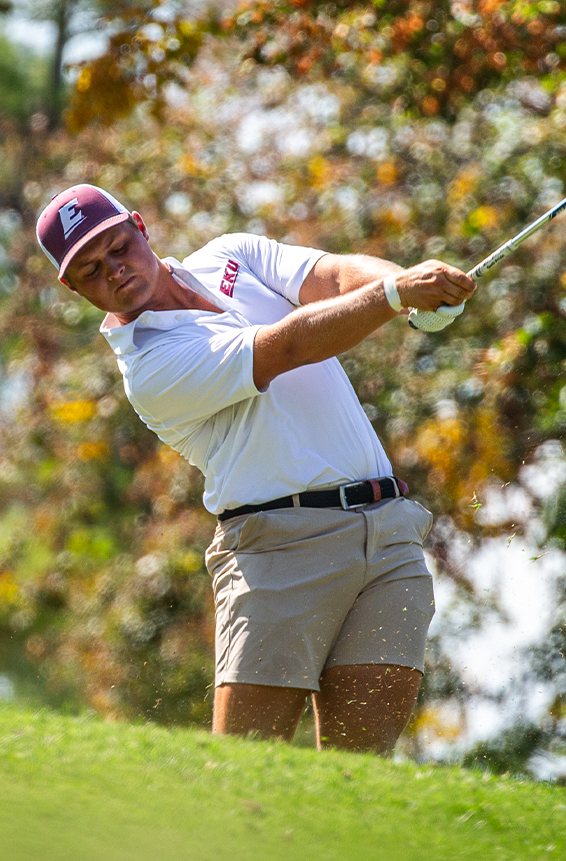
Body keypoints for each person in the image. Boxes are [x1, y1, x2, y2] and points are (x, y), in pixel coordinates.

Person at [34, 183, 476, 754]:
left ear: (140, 228)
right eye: (92, 270)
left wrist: (418, 295)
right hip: (276, 553)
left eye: (118, 247)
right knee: (244, 773)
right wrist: (395, 295)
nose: (114, 271)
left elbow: (336, 277)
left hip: (387, 535)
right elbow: (284, 347)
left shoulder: (231, 256)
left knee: (360, 774)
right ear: (72, 288)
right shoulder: (149, 367)